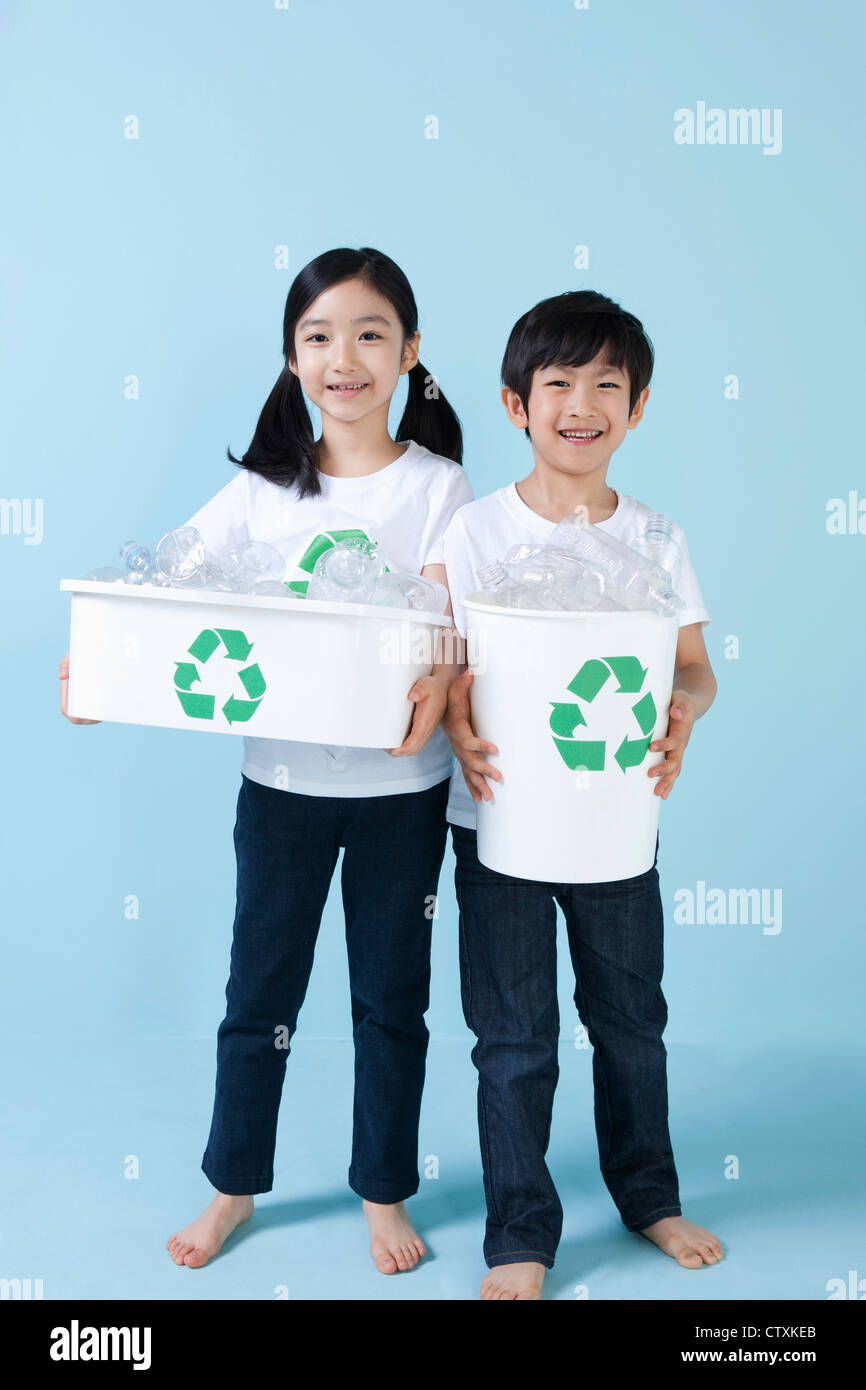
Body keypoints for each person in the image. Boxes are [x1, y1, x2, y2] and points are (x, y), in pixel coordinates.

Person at [60, 246, 472, 1275]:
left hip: (400, 797)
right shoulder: (257, 492)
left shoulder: (437, 486)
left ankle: (381, 1191)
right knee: (260, 994)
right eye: (319, 336)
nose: (345, 357)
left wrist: (441, 681)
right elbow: (160, 587)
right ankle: (233, 1185)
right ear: (291, 359)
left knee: (391, 1002)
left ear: (410, 354)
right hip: (281, 791)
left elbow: (444, 624)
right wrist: (99, 670)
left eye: (370, 333)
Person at [440, 289, 721, 1300]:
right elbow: (439, 665)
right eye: (557, 382)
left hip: (613, 821)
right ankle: (520, 1233)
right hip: (499, 820)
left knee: (629, 1020)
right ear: (516, 403)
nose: (581, 402)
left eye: (607, 383)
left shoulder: (653, 539)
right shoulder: (474, 533)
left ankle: (646, 1197)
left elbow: (693, 667)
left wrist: (682, 711)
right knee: (512, 1038)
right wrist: (453, 724)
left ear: (635, 407)